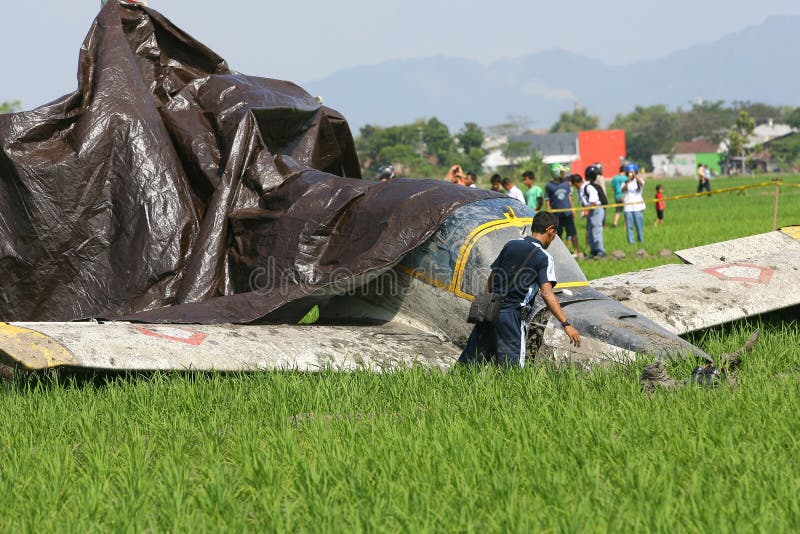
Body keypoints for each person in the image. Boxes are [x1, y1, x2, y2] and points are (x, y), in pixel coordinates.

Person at [458, 211, 581, 367]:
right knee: (512, 372)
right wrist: (566, 324)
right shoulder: (544, 257)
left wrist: (492, 302)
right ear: (550, 230)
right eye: (555, 232)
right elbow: (547, 293)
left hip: (489, 312)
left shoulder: (511, 245)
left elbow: (492, 278)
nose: (554, 236)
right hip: (511, 317)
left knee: (469, 366)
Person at [544, 163, 580, 256]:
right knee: (557, 234)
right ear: (556, 173)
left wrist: (573, 210)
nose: (564, 174)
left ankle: (576, 251)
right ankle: (558, 253)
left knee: (572, 232)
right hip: (557, 215)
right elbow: (547, 201)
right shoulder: (549, 186)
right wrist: (548, 214)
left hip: (567, 213)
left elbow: (569, 197)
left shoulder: (565, 183)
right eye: (562, 172)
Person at [583, 165, 607, 257]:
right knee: (591, 230)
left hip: (595, 209)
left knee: (596, 230)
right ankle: (594, 250)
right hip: (595, 209)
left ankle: (600, 251)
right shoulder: (591, 185)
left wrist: (587, 211)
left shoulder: (589, 187)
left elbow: (593, 202)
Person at [622, 163, 645, 244]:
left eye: (632, 172)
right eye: (629, 173)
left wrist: (635, 176)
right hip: (628, 208)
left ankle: (641, 241)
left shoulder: (639, 180)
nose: (630, 174)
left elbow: (642, 184)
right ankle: (631, 242)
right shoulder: (625, 181)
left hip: (638, 207)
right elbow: (623, 189)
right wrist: (628, 181)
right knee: (629, 226)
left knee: (639, 226)